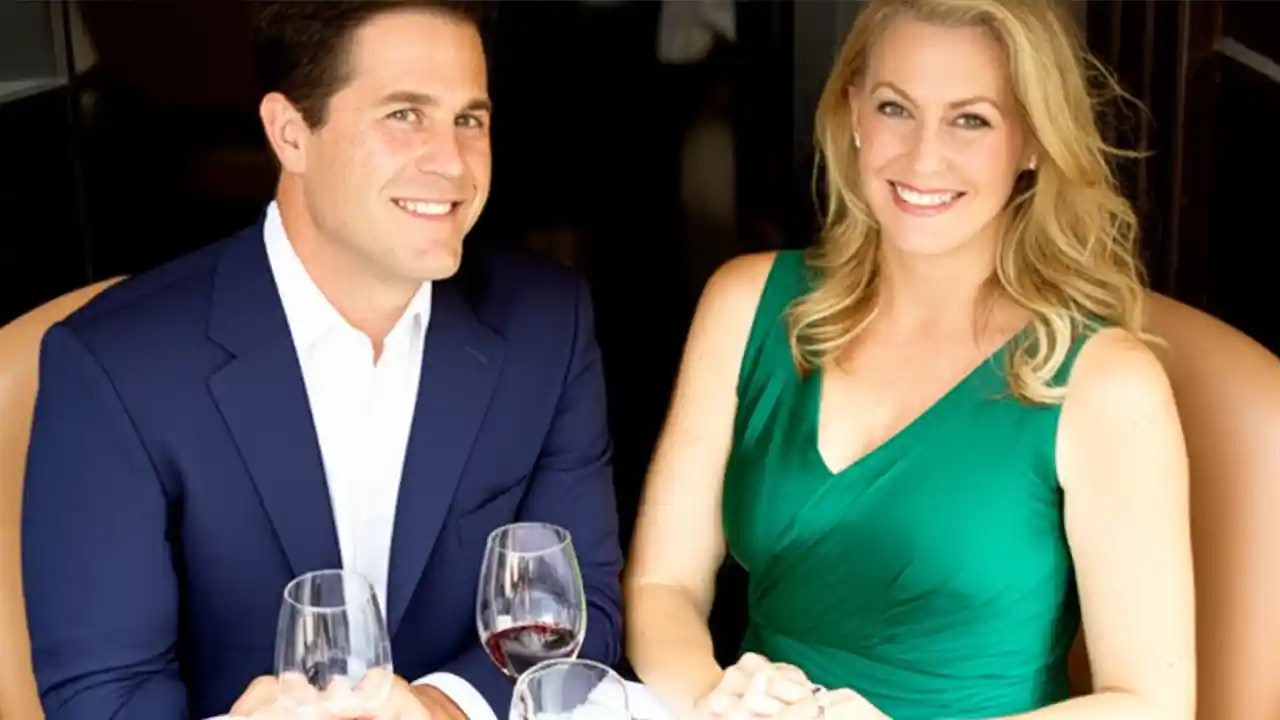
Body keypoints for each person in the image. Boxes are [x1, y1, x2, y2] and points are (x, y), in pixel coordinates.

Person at [21, 2, 623, 718]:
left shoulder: (545, 324)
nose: (453, 163)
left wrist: (436, 710)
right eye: (404, 115)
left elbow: (584, 615)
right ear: (290, 133)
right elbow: (104, 693)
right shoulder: (114, 366)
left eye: (470, 119)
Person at [623, 0, 1195, 719]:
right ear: (854, 113)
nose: (924, 156)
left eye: (971, 119)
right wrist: (714, 693)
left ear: (1032, 142)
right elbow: (661, 588)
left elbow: (1150, 703)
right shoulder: (746, 304)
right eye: (897, 108)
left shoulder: (1106, 383)